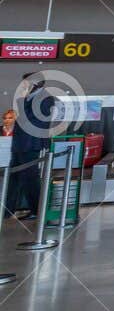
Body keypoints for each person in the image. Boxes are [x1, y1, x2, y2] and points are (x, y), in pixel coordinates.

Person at [6, 74, 55, 220]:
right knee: (14, 177)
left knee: (30, 178)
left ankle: (37, 211)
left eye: (26, 83)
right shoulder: (30, 97)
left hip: (31, 144)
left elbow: (29, 121)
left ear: (35, 84)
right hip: (20, 143)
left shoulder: (45, 99)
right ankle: (7, 211)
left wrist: (21, 99)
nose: (23, 86)